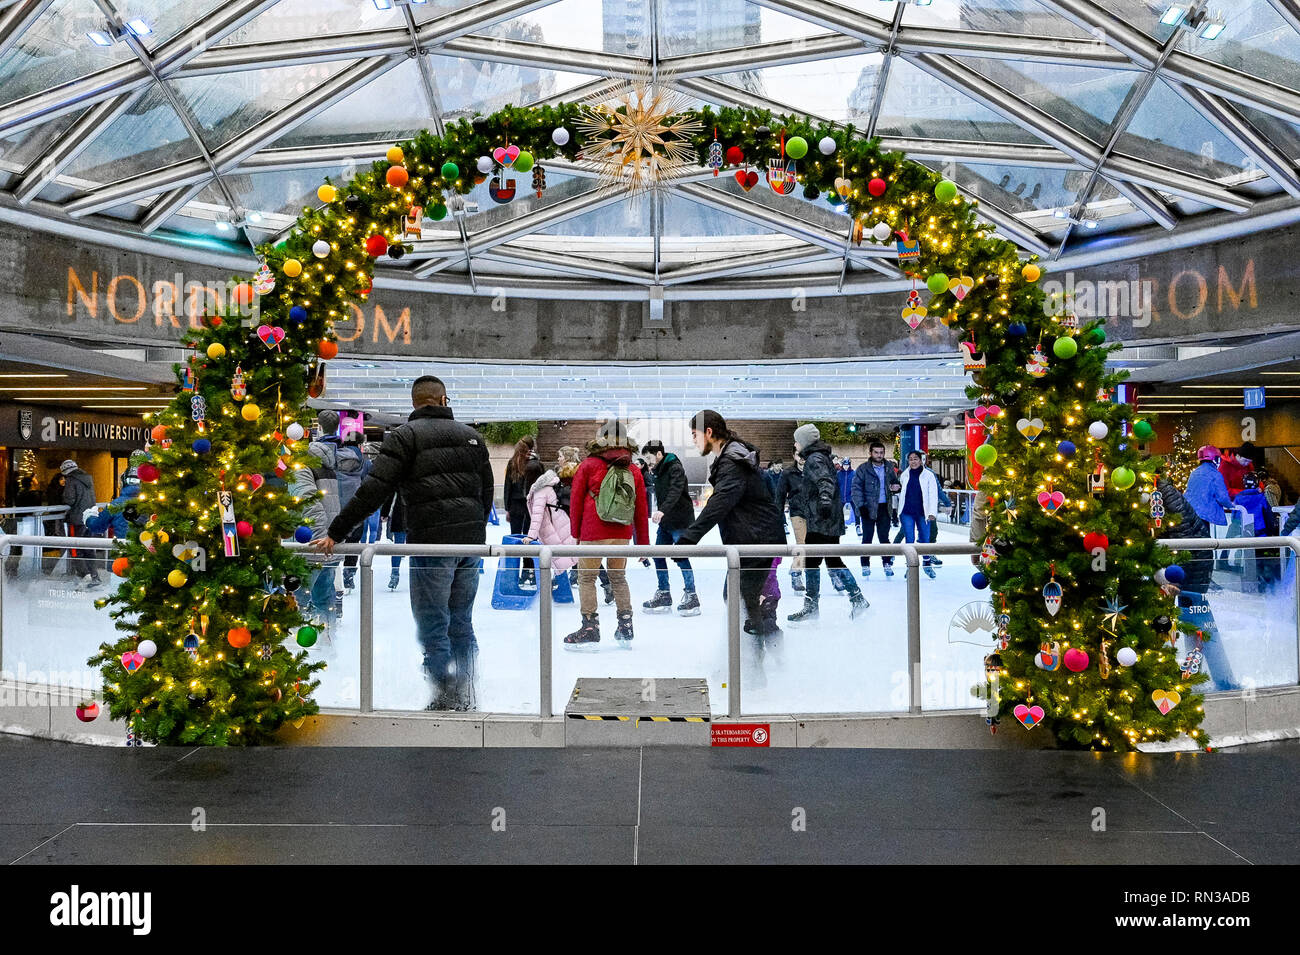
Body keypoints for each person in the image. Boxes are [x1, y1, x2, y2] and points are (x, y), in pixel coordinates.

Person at [313, 375, 494, 711]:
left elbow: (373, 490)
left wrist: (337, 531)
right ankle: (467, 692)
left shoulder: (405, 437)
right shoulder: (472, 437)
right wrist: (475, 529)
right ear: (443, 400)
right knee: (461, 623)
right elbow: (486, 492)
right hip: (469, 546)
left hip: (430, 544)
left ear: (414, 403)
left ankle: (445, 694)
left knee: (433, 624)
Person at [676, 411, 786, 683]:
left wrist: (689, 538)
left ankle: (754, 669)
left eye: (695, 434)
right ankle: (746, 661)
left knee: (744, 602)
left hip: (757, 541)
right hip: (752, 539)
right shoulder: (732, 456)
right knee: (737, 599)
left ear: (709, 432)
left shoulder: (732, 461)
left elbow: (721, 502)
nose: (693, 441)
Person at [565, 420, 651, 649]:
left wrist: (576, 533)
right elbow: (641, 509)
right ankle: (625, 626)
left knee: (586, 578)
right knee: (618, 577)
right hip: (622, 532)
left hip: (593, 530)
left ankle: (590, 627)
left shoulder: (589, 465)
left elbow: (575, 501)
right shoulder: (633, 469)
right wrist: (643, 544)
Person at [786, 425, 868, 624]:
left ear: (805, 441)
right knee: (832, 559)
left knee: (814, 560)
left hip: (822, 519)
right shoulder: (820, 457)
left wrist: (823, 503)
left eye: (797, 441)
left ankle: (813, 606)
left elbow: (825, 482)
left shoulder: (814, 459)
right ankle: (856, 598)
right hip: (827, 518)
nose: (795, 444)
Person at [290, 411, 348, 633]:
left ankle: (299, 647)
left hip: (312, 546)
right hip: (328, 543)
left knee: (299, 601)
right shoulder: (325, 463)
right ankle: (328, 642)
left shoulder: (301, 465)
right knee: (324, 599)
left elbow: (308, 503)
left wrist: (317, 543)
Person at [640, 440, 700, 616]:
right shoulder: (656, 470)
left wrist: (662, 510)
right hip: (666, 522)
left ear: (659, 454)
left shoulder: (675, 467)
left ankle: (692, 595)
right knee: (658, 555)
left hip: (680, 521)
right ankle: (664, 593)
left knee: (681, 557)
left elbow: (675, 491)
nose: (648, 462)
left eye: (649, 458)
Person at [851, 441, 901, 578]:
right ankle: (865, 564)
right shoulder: (863, 469)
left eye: (881, 452)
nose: (879, 455)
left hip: (885, 507)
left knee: (884, 537)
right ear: (870, 453)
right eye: (876, 452)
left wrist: (896, 486)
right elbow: (856, 488)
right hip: (868, 507)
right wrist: (861, 506)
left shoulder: (888, 467)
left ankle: (886, 563)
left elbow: (894, 482)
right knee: (867, 537)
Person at [522, 463, 578, 575]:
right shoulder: (548, 485)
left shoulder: (539, 490)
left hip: (552, 528)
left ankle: (553, 584)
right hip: (562, 522)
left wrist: (531, 536)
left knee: (561, 557)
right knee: (570, 554)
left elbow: (537, 515)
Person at [337, 427, 373, 595]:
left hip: (336, 506)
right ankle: (349, 573)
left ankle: (335, 575)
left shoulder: (334, 458)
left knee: (335, 541)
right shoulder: (365, 463)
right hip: (356, 508)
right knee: (354, 542)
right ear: (360, 444)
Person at [57, 459, 100, 589]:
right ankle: (95, 576)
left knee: (75, 548)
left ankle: (84, 575)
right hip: (89, 518)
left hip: (76, 519)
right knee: (88, 548)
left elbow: (69, 499)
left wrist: (63, 492)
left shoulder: (71, 480)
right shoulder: (88, 479)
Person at [503, 436, 539, 585]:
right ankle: (529, 571)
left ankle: (513, 573)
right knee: (530, 539)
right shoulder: (536, 464)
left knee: (515, 540)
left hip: (515, 506)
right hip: (530, 506)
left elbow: (508, 487)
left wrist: (507, 508)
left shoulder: (513, 462)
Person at [897, 450, 938, 578]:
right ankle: (910, 567)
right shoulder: (905, 475)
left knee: (925, 539)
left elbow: (933, 494)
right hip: (907, 512)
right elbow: (901, 490)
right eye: (911, 459)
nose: (913, 461)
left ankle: (927, 563)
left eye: (915, 459)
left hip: (923, 512)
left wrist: (932, 512)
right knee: (909, 539)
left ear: (921, 460)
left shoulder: (929, 475)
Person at [777, 452, 809, 591]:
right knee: (802, 544)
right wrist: (778, 516)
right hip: (797, 513)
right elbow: (780, 495)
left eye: (804, 455)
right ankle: (796, 572)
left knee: (816, 545)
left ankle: (802, 570)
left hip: (815, 514)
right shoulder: (788, 473)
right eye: (798, 455)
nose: (801, 458)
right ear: (793, 456)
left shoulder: (815, 470)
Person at [1185, 446, 1233, 528]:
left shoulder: (1194, 473)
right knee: (1205, 536)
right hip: (1206, 515)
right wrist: (1231, 505)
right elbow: (1222, 497)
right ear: (1215, 459)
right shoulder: (1215, 474)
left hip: (1190, 513)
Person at [381, 488, 407, 591]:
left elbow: (391, 493)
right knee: (417, 548)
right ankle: (418, 574)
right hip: (415, 515)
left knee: (398, 547)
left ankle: (394, 574)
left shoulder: (399, 479)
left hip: (400, 514)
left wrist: (385, 512)